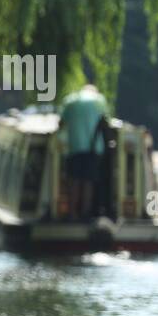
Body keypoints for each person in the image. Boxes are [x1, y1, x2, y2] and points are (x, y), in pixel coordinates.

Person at [58, 82, 110, 218]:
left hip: (74, 146)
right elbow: (106, 122)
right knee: (88, 181)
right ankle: (85, 212)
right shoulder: (99, 101)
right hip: (94, 149)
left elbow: (61, 124)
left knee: (74, 180)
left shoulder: (70, 101)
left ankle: (72, 213)